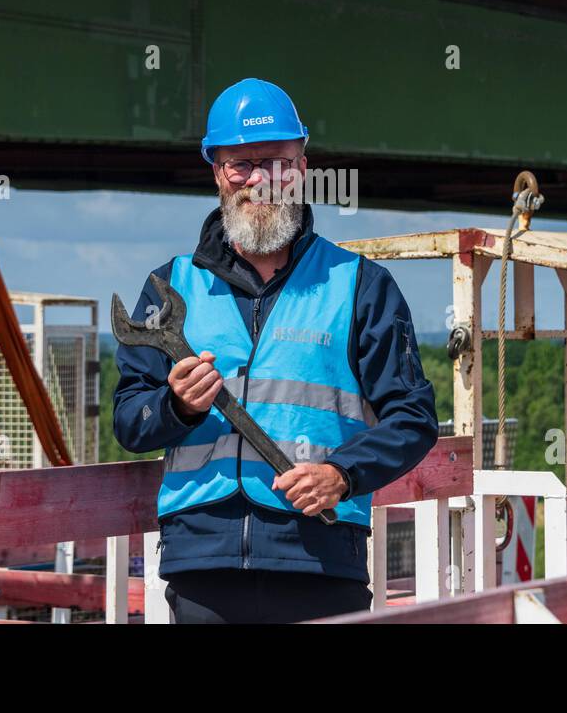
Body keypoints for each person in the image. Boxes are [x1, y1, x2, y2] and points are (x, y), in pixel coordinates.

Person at [113, 78, 439, 623]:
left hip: (319, 559)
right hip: (202, 562)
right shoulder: (170, 284)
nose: (260, 180)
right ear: (217, 171)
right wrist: (177, 406)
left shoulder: (361, 284)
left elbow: (413, 417)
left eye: (277, 162)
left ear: (303, 167)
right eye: (242, 164)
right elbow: (130, 421)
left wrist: (342, 473)